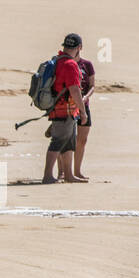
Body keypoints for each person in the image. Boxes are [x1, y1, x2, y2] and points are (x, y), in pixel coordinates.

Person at [42, 33, 87, 185]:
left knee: (68, 143)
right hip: (65, 109)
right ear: (79, 47)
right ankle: (48, 175)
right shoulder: (70, 64)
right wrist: (83, 111)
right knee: (58, 141)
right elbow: (75, 90)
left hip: (59, 108)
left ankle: (68, 174)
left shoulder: (58, 60)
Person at [74, 48, 95, 181]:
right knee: (66, 139)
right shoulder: (63, 62)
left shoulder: (87, 65)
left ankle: (77, 171)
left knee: (82, 140)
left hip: (84, 105)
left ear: (79, 47)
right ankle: (62, 172)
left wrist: (85, 97)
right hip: (67, 105)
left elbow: (92, 85)